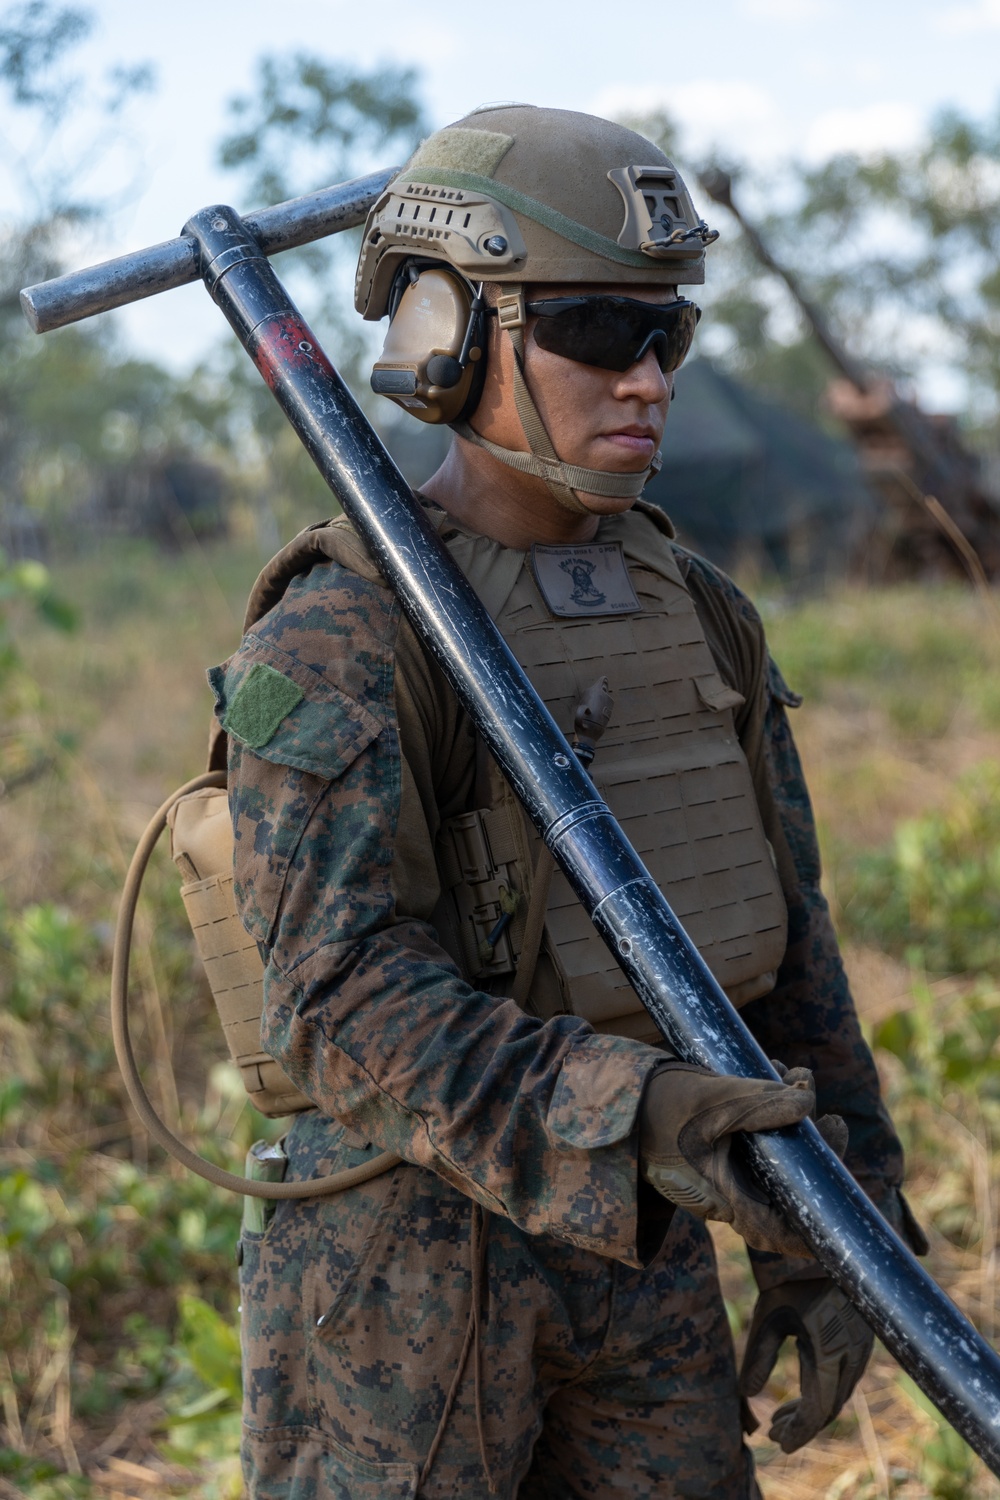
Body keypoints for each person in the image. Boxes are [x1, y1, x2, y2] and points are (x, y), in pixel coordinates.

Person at [212, 105, 924, 1499]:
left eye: (670, 335)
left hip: (645, 1246)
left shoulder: (698, 610)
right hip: (400, 1262)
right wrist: (640, 1114)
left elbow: (788, 935)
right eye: (598, 331)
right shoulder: (345, 628)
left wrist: (850, 1226)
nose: (647, 378)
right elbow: (338, 1001)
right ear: (446, 337)